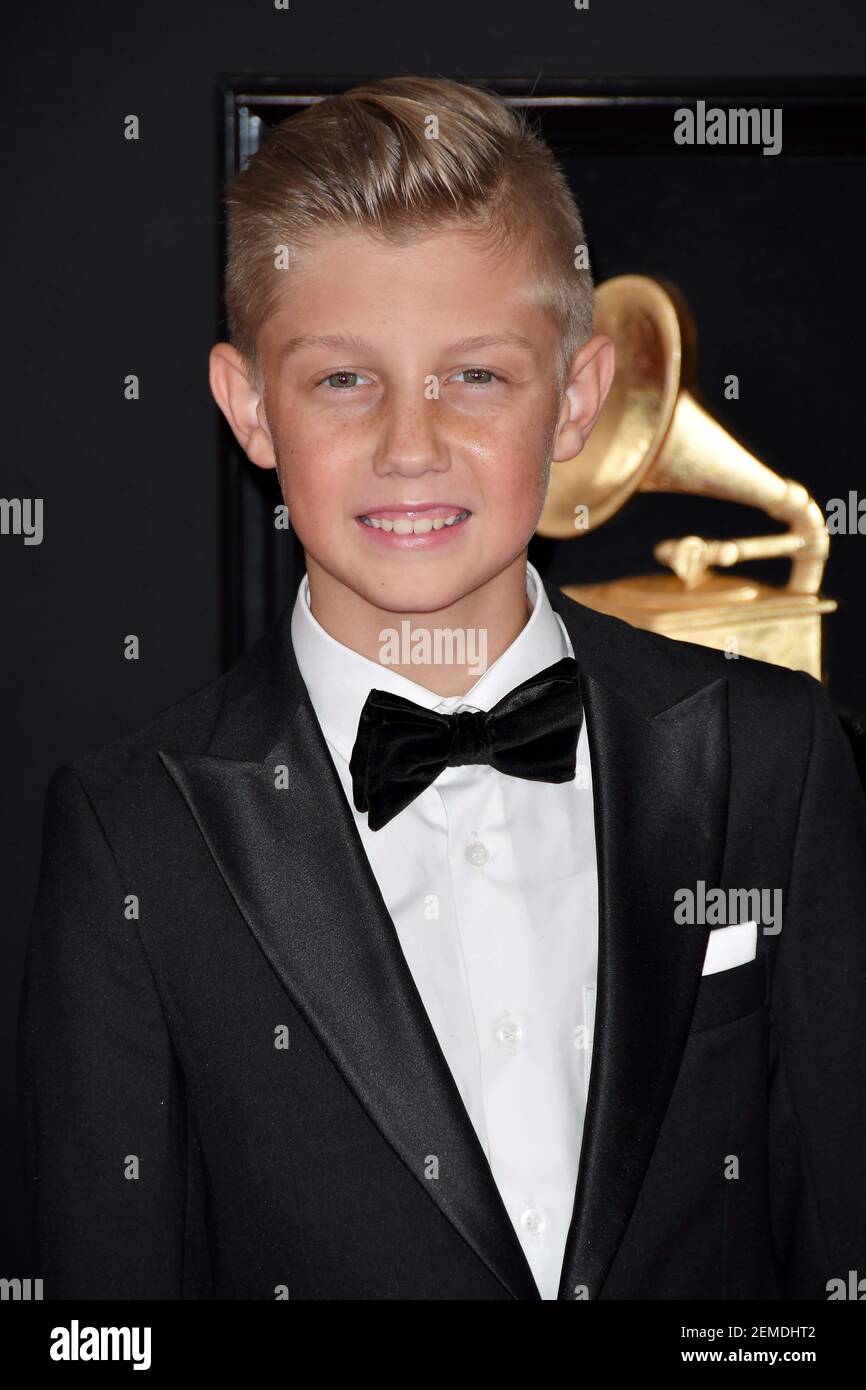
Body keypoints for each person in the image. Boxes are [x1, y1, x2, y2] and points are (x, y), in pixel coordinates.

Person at [18, 74, 866, 1300]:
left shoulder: (772, 756)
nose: (409, 445)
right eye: (342, 380)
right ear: (250, 408)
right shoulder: (128, 834)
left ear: (574, 397)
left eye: (473, 376)